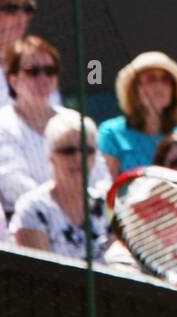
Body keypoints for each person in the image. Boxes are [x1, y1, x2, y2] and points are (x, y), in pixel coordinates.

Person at [0, 36, 109, 215]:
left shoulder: (75, 121)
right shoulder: (0, 127)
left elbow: (102, 179)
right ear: (13, 80)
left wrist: (86, 206)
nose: (43, 78)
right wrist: (62, 208)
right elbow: (15, 187)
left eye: (50, 71)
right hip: (29, 226)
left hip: (87, 217)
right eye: (33, 71)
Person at [10, 110, 112, 262]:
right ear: (51, 157)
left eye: (87, 150)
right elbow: (40, 273)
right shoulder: (33, 209)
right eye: (68, 151)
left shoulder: (106, 206)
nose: (79, 158)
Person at [0, 0, 59, 132]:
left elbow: (54, 107)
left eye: (27, 9)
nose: (21, 16)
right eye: (11, 8)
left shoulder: (38, 58)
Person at [99, 52, 177, 181]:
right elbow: (107, 189)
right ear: (135, 89)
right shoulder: (112, 133)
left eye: (165, 80)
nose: (159, 86)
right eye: (151, 79)